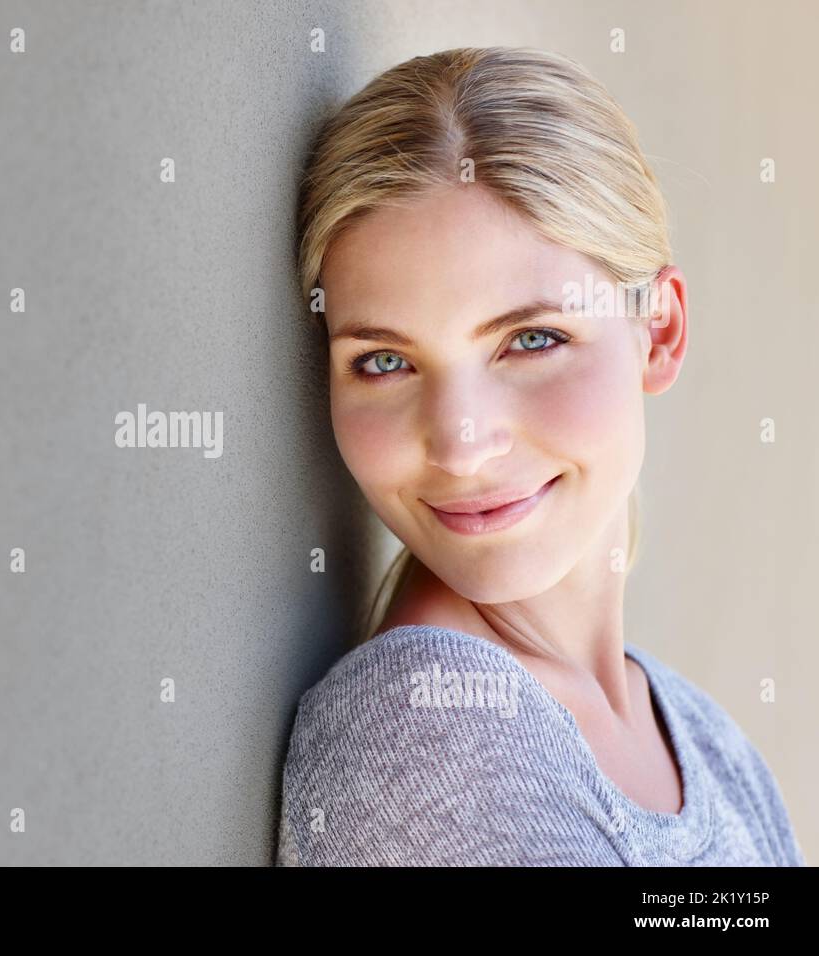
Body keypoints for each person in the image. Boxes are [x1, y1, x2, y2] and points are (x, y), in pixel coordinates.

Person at [278, 46, 805, 866]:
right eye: (385, 361)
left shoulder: (707, 744)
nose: (459, 444)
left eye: (532, 340)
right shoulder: (432, 728)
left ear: (658, 332)